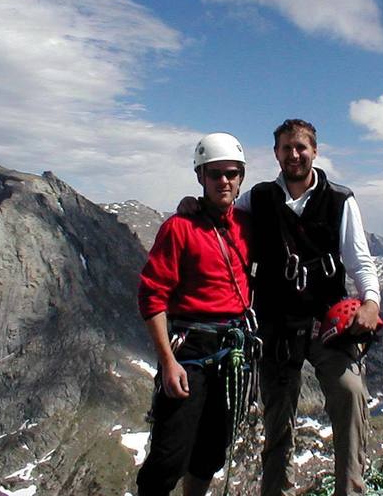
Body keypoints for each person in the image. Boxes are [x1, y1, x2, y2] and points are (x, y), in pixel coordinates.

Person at [179, 120, 381, 494]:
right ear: (276, 153)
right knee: (277, 424)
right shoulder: (257, 199)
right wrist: (194, 205)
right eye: (286, 148)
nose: (294, 155)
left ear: (315, 152)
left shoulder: (340, 200)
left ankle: (350, 490)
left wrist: (371, 301)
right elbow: (220, 212)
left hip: (327, 322)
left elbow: (360, 260)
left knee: (350, 392)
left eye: (301, 147)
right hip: (277, 326)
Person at [136, 132, 256, 496]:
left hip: (234, 351)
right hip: (191, 351)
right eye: (215, 173)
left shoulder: (247, 224)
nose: (224, 180)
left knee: (210, 452)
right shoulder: (179, 228)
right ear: (201, 176)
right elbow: (152, 296)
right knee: (169, 455)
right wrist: (168, 362)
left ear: (240, 178)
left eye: (231, 173)